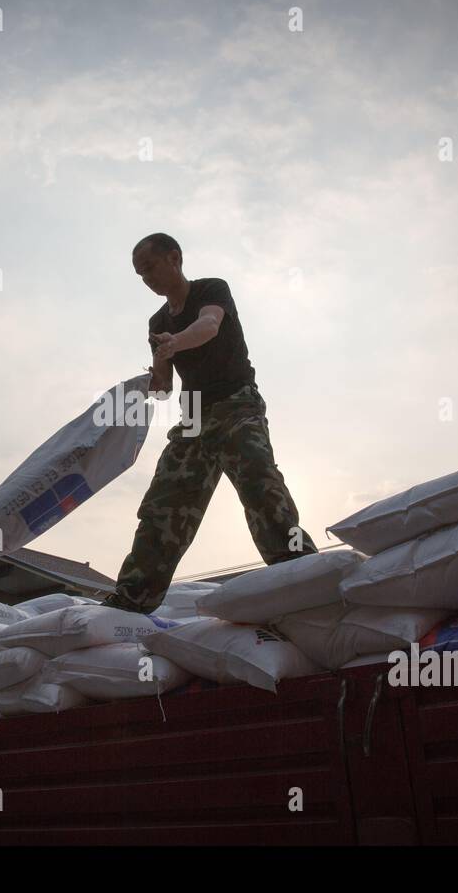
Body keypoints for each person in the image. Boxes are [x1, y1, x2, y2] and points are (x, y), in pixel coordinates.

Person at [100, 233, 318, 614]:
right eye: (139, 274)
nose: (145, 278)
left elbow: (208, 327)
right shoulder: (156, 321)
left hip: (237, 403)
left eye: (149, 267)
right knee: (164, 505)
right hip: (195, 415)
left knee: (257, 478)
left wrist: (175, 342)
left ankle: (299, 571)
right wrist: (148, 377)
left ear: (174, 258)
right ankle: (133, 598)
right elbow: (165, 386)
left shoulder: (211, 290)